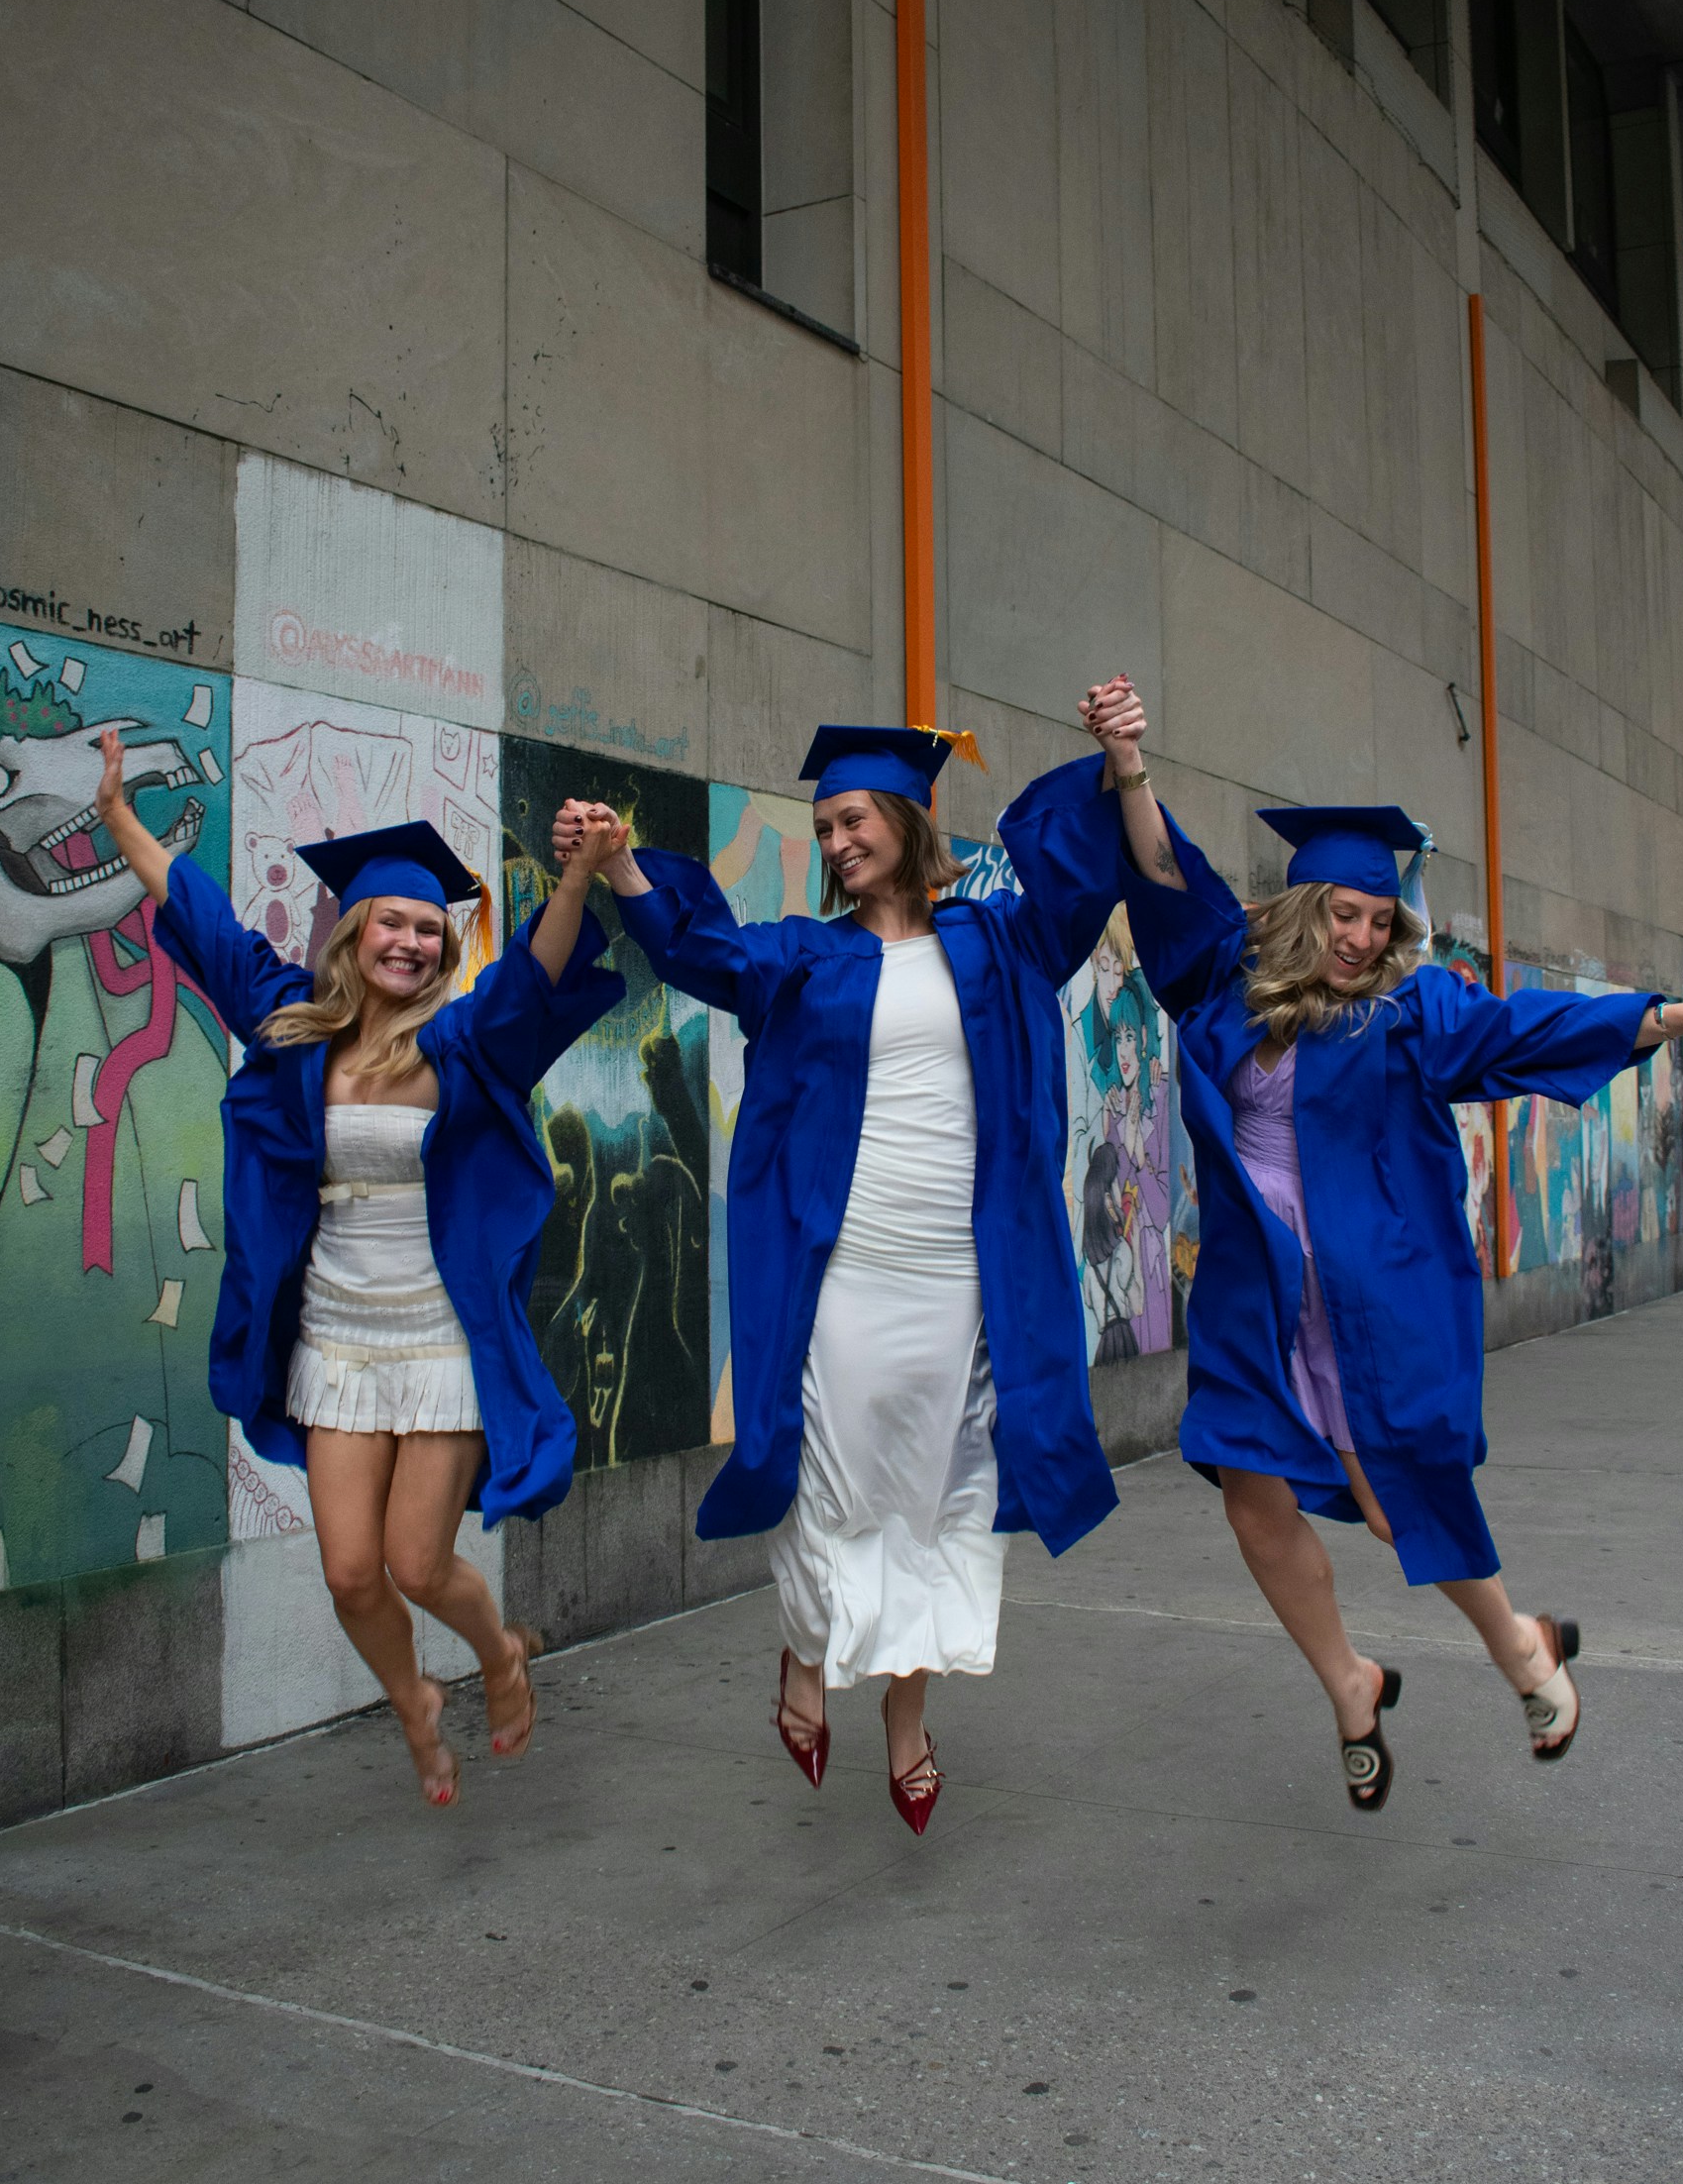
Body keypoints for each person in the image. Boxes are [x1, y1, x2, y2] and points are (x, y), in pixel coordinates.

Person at [1079, 674, 1683, 1812]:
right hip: (1256, 1302)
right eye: (1347, 917)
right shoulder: (1222, 984)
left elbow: (1528, 1028)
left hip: (1370, 1298)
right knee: (1247, 1495)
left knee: (1391, 1499)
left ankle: (1519, 1648)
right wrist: (1128, 762)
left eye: (1379, 922)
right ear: (1305, 910)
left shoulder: (1410, 1017)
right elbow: (1162, 876)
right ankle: (1350, 1683)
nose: (1364, 938)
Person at [552, 720, 1129, 1832]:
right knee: (830, 1478)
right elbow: (701, 954)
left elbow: (1078, 883)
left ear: (904, 823)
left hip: (957, 1273)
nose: (836, 840)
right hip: (847, 1270)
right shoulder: (808, 955)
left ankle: (906, 1721)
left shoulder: (996, 943)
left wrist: (1122, 765)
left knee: (938, 1494)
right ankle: (807, 1651)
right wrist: (621, 862)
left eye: (851, 820)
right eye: (824, 828)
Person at [93, 731, 628, 1808]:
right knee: (350, 1571)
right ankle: (412, 1701)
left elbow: (534, 977)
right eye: (394, 922)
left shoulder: (468, 1044)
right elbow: (202, 921)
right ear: (353, 931)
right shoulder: (293, 1027)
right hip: (335, 1336)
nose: (414, 944)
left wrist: (575, 873)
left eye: (432, 931)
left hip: (437, 1338)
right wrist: (115, 815)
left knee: (421, 1566)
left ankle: (497, 1654)